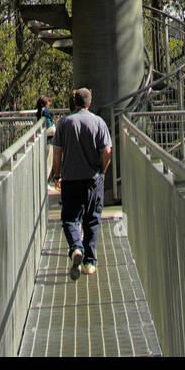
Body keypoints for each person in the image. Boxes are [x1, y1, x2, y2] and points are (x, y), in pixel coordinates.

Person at [52, 87, 112, 278]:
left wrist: (57, 174)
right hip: (93, 179)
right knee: (92, 219)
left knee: (70, 218)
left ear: (75, 102)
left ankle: (76, 248)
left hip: (70, 180)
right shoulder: (99, 122)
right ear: (89, 103)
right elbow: (107, 151)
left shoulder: (64, 123)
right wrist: (102, 171)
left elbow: (57, 151)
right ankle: (89, 263)